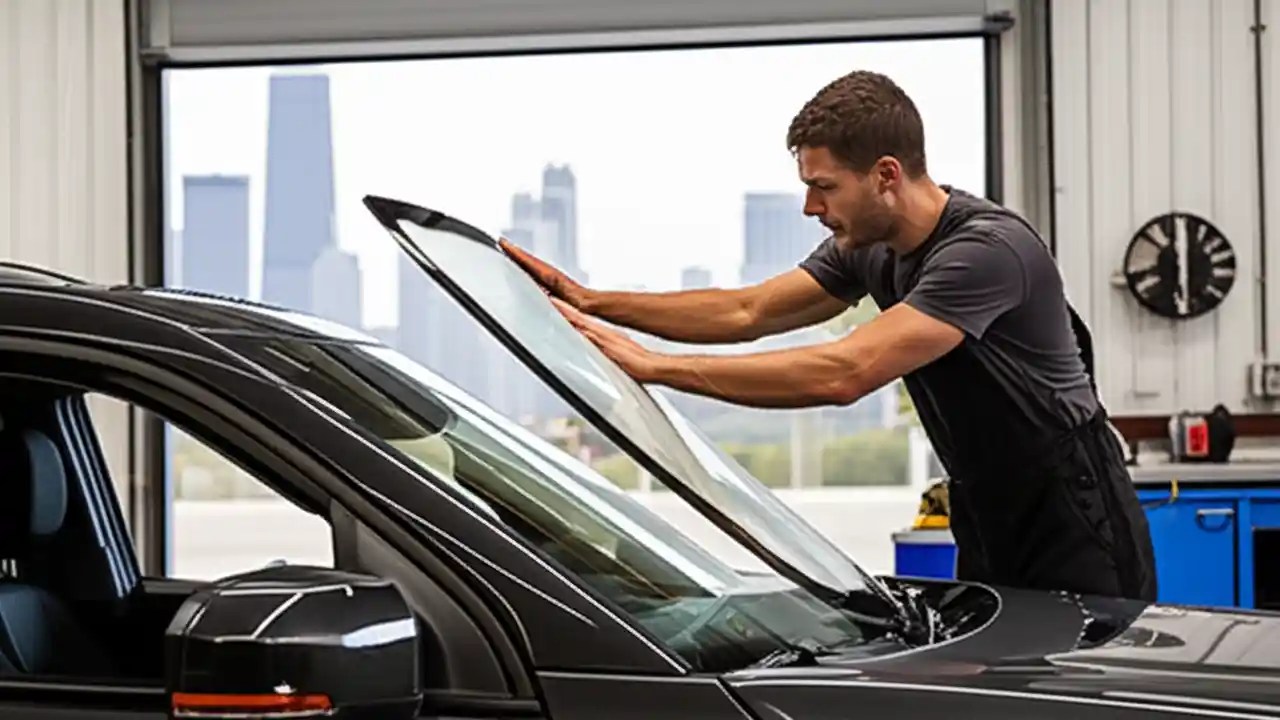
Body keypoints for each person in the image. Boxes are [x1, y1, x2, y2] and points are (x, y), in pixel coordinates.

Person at [501, 70, 1157, 602]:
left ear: (886, 176)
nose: (811, 208)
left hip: (1075, 513)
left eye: (823, 187)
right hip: (986, 506)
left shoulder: (986, 252)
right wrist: (588, 299)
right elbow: (747, 311)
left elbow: (845, 371)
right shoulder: (869, 248)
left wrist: (659, 369)